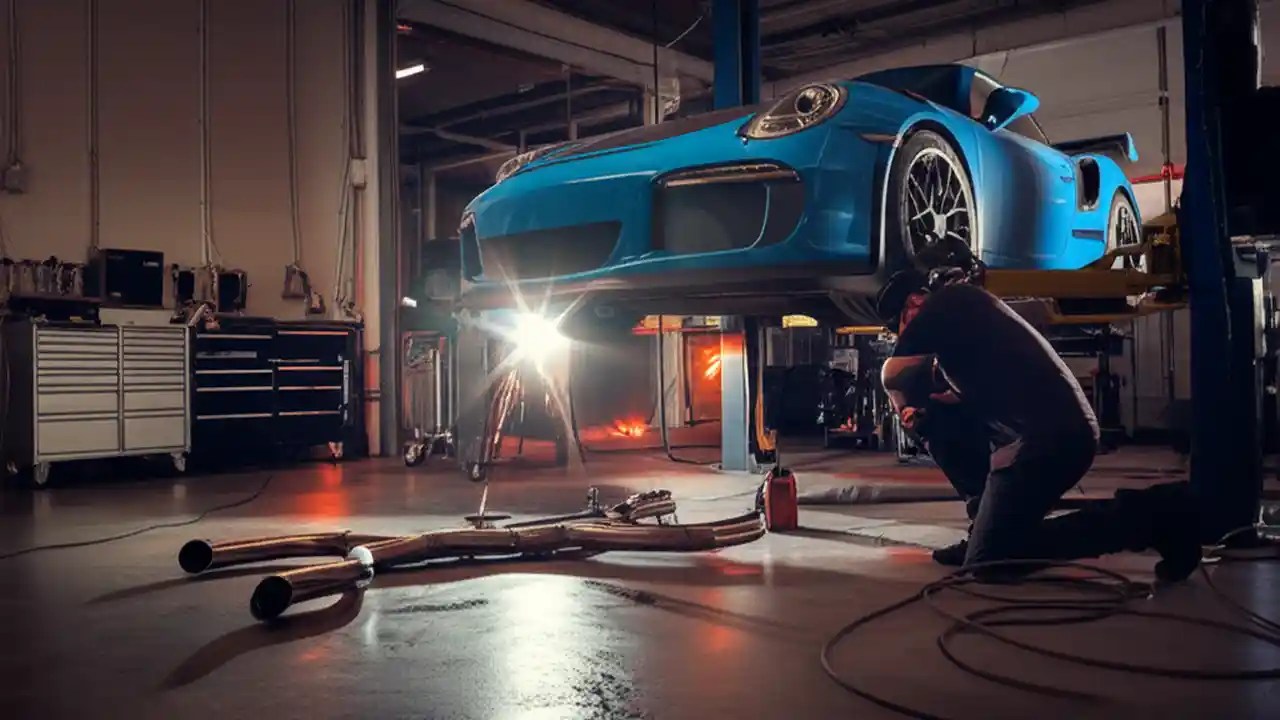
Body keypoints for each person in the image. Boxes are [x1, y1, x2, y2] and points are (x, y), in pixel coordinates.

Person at [873, 268, 1200, 581]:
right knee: (936, 417)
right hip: (1039, 438)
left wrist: (902, 401)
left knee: (990, 562)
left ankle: (1156, 517)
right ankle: (985, 527)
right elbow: (976, 398)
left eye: (898, 325)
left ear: (915, 302)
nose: (901, 334)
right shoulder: (964, 326)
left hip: (1052, 441)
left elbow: (892, 373)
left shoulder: (949, 304)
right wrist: (927, 411)